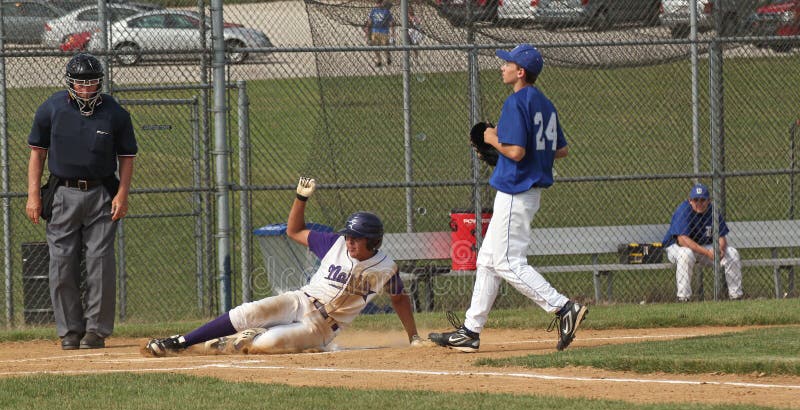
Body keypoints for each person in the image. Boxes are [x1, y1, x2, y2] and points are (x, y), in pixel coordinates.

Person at [146, 177, 423, 357]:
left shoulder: (385, 268)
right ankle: (180, 342)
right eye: (348, 236)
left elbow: (399, 299)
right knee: (249, 311)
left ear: (372, 241)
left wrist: (413, 337)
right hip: (300, 300)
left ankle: (245, 338)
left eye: (356, 238)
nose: (349, 241)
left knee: (266, 345)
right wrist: (300, 199)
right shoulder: (334, 243)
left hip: (321, 328)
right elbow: (294, 230)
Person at [428, 44, 587, 353]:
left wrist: (492, 138)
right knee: (487, 261)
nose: (503, 67)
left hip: (516, 191)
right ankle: (470, 331)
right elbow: (561, 150)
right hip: (525, 191)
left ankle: (563, 307)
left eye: (508, 63)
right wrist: (522, 152)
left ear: (520, 72)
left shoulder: (516, 102)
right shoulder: (545, 104)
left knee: (507, 262)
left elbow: (515, 151)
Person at [26, 53, 137, 351]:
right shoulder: (52, 108)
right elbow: (37, 153)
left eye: (92, 83)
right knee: (61, 262)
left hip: (101, 194)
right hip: (63, 193)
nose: (86, 89)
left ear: (100, 83)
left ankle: (96, 331)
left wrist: (122, 194)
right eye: (80, 83)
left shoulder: (114, 112)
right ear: (70, 83)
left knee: (100, 262)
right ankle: (70, 330)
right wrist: (33, 195)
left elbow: (127, 157)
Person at [663, 183, 743, 302]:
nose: (699, 203)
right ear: (690, 200)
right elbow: (682, 240)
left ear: (709, 201)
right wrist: (707, 252)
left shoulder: (712, 211)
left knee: (732, 253)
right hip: (677, 247)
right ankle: (683, 298)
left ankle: (736, 296)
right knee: (685, 254)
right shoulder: (683, 210)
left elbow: (721, 237)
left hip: (703, 248)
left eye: (702, 200)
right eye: (696, 200)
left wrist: (719, 249)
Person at [365, 0, 395, 67]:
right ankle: (379, 60)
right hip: (375, 31)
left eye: (379, 3)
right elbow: (370, 20)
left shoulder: (386, 11)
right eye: (377, 3)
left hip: (384, 31)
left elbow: (391, 22)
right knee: (375, 48)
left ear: (382, 3)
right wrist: (367, 27)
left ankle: (388, 57)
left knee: (385, 47)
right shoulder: (373, 10)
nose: (377, 4)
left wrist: (392, 33)